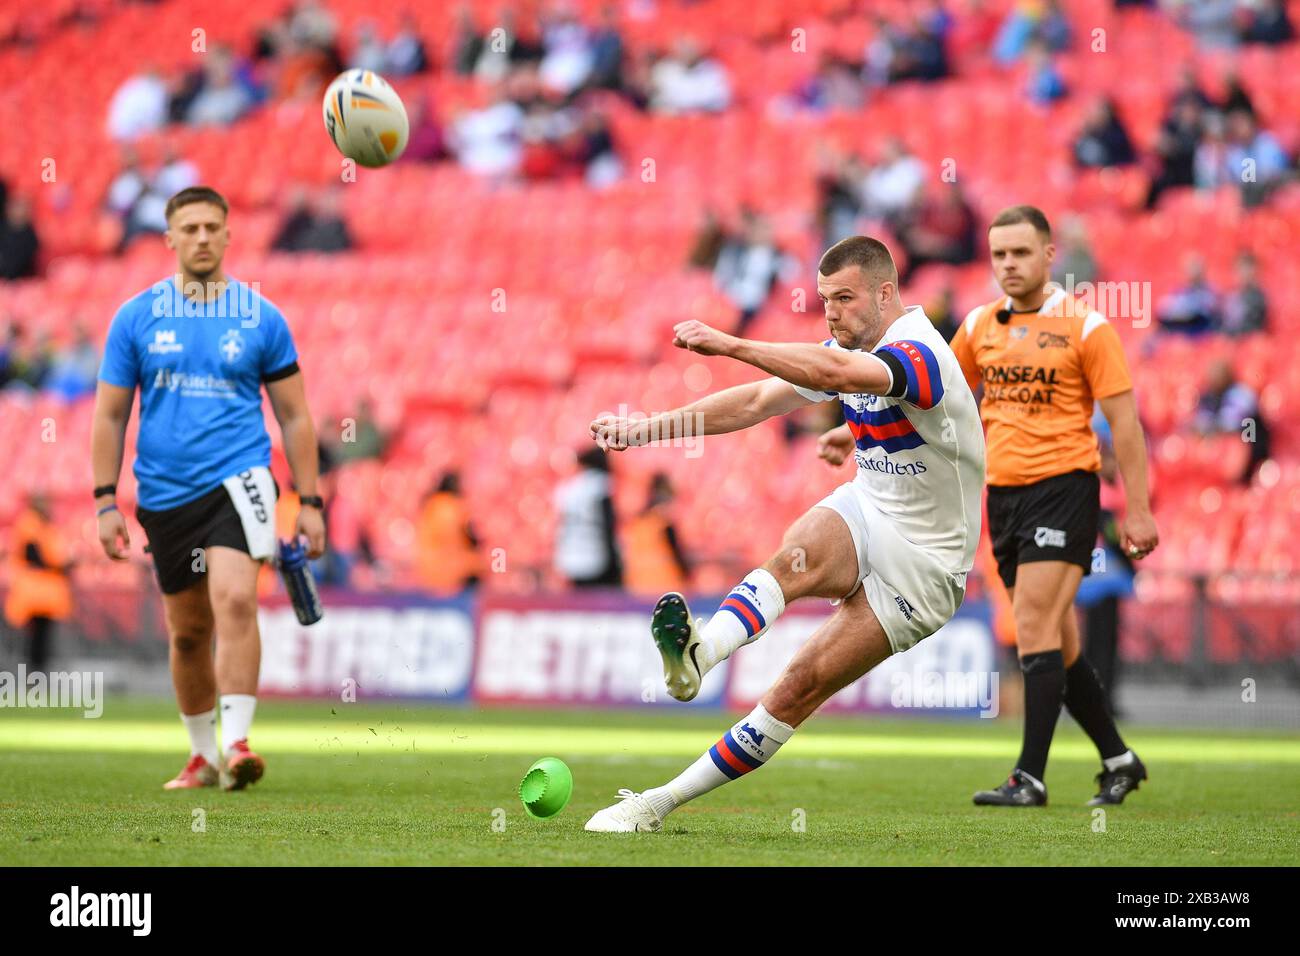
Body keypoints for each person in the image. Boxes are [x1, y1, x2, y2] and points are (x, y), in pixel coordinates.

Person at [584, 236, 985, 832]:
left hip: (927, 565)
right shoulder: (852, 345)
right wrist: (646, 430)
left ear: (885, 293)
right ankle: (702, 652)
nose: (831, 312)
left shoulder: (921, 354)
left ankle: (659, 800)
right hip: (872, 505)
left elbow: (832, 370)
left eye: (845, 298)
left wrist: (731, 342)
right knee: (796, 552)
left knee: (798, 686)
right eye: (825, 299)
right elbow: (754, 404)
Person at [91, 186, 325, 792]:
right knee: (188, 630)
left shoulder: (261, 318)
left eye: (211, 227)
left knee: (236, 601)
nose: (200, 237)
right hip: (164, 495)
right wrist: (102, 501)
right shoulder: (135, 317)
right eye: (188, 227)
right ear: (169, 238)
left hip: (240, 479)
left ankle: (239, 742)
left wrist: (313, 500)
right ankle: (201, 756)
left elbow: (296, 415)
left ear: (227, 235)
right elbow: (111, 415)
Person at [949, 205, 1158, 807]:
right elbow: (940, 401)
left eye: (1021, 252)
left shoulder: (1087, 328)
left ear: (1048, 255)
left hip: (1065, 489)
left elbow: (1125, 424)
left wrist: (1138, 510)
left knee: (1033, 625)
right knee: (1059, 645)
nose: (1009, 265)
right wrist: (851, 432)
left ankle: (1029, 778)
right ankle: (1119, 758)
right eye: (999, 255)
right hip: (1004, 498)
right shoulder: (977, 327)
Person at [4, 494, 73, 673]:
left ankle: (36, 674)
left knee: (41, 637)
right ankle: (29, 674)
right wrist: (60, 565)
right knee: (31, 638)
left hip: (46, 594)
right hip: (33, 592)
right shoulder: (29, 524)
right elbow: (34, 556)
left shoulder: (46, 526)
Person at [553, 447, 623, 589]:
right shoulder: (601, 484)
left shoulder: (568, 487)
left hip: (571, 557)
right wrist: (615, 562)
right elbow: (607, 525)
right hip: (597, 557)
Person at [623, 473, 690, 598]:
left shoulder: (639, 521)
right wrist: (687, 573)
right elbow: (675, 552)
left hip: (638, 584)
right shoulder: (663, 520)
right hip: (666, 582)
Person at [415, 472, 482, 595]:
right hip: (452, 571)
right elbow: (464, 537)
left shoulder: (430, 504)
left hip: (428, 570)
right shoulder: (452, 506)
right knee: (493, 561)